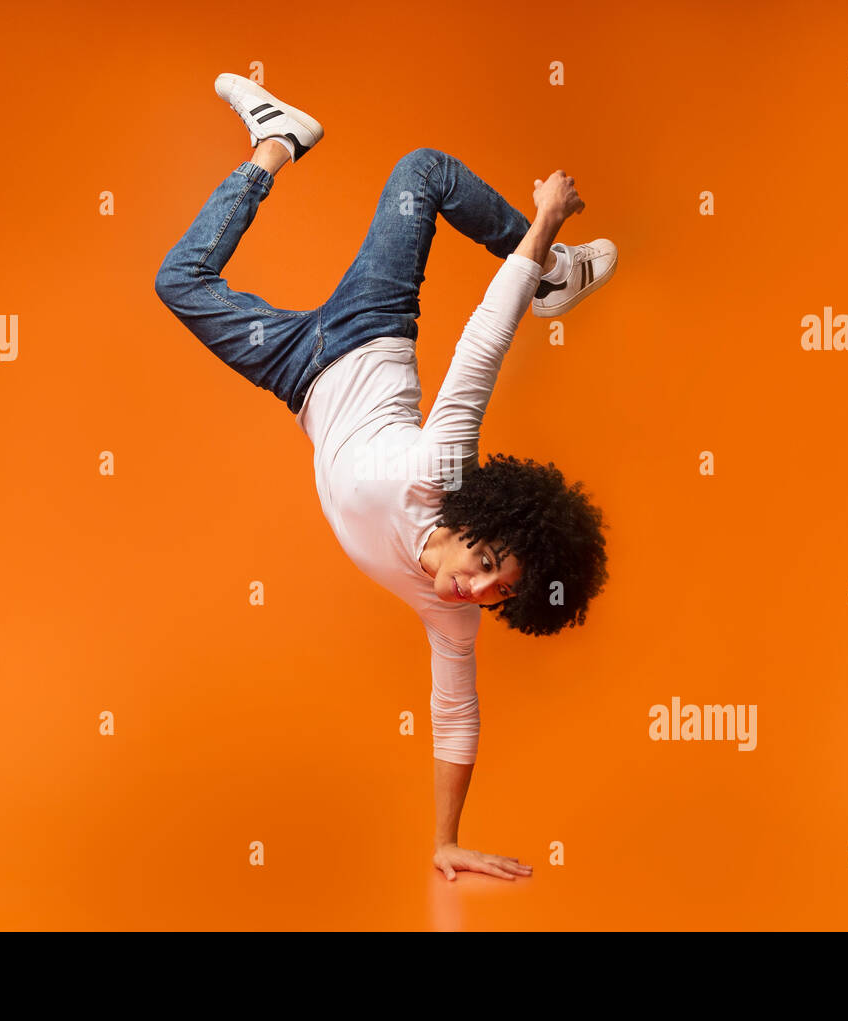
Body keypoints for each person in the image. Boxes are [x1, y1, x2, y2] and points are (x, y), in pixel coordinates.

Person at [155, 73, 613, 883]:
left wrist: (445, 840)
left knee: (178, 285)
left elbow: (456, 718)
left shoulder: (449, 616)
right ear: (480, 522)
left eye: (495, 595)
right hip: (368, 324)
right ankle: (553, 273)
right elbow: (483, 341)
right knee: (422, 172)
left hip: (295, 371)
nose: (473, 591)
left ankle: (274, 141)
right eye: (486, 567)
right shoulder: (441, 469)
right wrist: (540, 224)